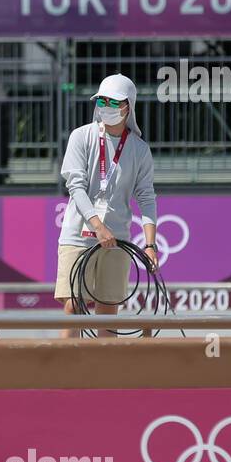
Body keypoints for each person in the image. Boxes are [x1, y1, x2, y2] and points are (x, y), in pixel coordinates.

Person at [55, 74, 159, 338]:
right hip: (78, 235)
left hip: (117, 238)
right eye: (101, 100)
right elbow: (75, 187)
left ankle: (104, 374)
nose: (105, 106)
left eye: (112, 102)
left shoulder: (139, 149)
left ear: (128, 106)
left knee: (108, 308)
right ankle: (63, 371)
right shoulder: (81, 137)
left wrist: (150, 245)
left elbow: (146, 197)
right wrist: (97, 226)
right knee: (73, 305)